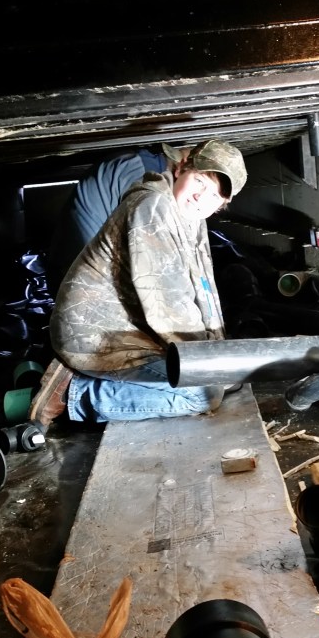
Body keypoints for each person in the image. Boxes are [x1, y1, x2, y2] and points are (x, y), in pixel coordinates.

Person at [29, 140, 247, 426]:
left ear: (222, 204)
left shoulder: (190, 218)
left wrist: (217, 348)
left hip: (129, 331)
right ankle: (74, 392)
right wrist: (204, 364)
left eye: (214, 195)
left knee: (225, 380)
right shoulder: (153, 206)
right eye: (199, 182)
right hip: (95, 336)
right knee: (203, 395)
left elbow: (202, 286)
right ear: (182, 168)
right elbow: (167, 298)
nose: (200, 197)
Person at [45, 143, 190, 297]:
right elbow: (147, 254)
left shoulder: (136, 161)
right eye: (198, 180)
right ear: (181, 166)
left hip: (68, 273)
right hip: (84, 286)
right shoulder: (146, 178)